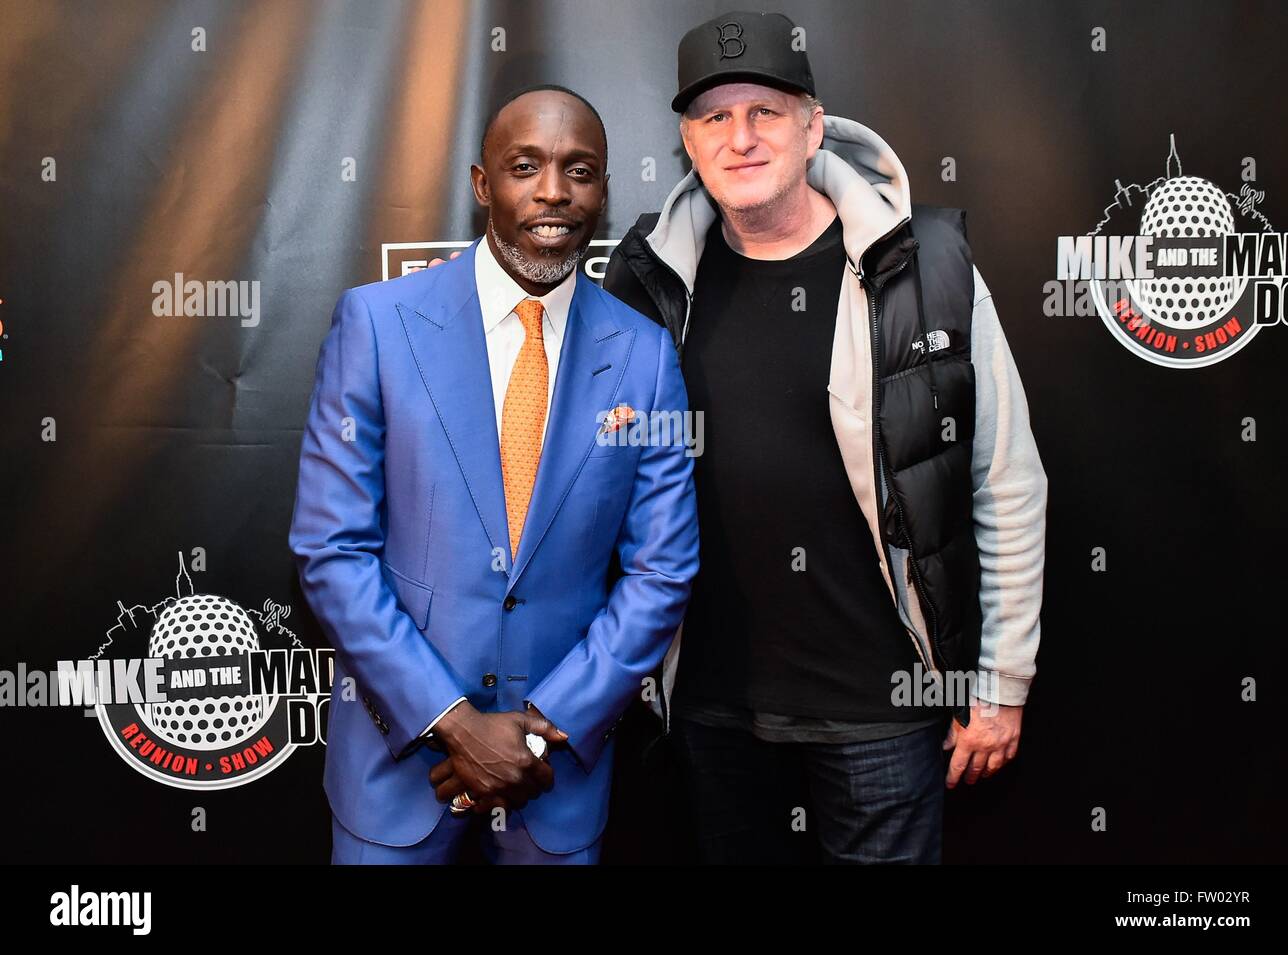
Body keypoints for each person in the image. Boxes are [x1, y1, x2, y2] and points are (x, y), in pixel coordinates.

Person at [601, 10, 1049, 864]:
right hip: (708, 705)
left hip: (883, 706)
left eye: (765, 111)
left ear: (814, 126)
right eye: (713, 118)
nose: (741, 138)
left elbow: (1006, 482)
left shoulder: (927, 269)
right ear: (686, 141)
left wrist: (999, 682)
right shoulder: (646, 278)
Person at [288, 85, 699, 864]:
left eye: (580, 171)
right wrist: (454, 720)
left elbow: (663, 568)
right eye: (525, 166)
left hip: (559, 775)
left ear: (604, 192)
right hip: (397, 766)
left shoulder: (644, 357)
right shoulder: (376, 325)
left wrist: (544, 729)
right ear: (482, 185)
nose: (553, 191)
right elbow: (331, 548)